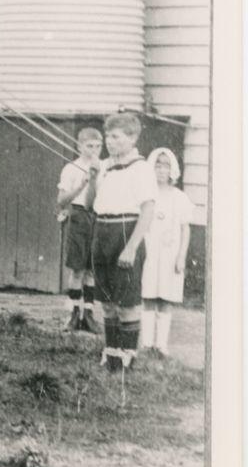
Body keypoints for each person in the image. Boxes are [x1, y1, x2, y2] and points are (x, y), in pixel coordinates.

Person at [90, 112, 157, 373]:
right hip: (102, 230)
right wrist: (92, 176)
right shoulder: (105, 166)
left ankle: (129, 353)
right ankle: (112, 350)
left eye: (116, 137)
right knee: (107, 300)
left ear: (132, 138)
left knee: (127, 301)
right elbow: (91, 203)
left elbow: (148, 210)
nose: (109, 141)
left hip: (127, 231)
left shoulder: (141, 168)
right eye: (107, 136)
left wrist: (131, 247)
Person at [140, 147, 193, 357]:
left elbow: (185, 229)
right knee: (148, 295)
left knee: (166, 298)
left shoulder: (179, 197)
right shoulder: (146, 195)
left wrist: (181, 256)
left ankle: (161, 345)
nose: (162, 170)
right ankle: (146, 343)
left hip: (170, 254)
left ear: (173, 169)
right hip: (150, 252)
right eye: (158, 165)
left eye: (166, 166)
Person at [56, 127, 104, 334]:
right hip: (78, 215)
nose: (94, 150)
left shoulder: (105, 167)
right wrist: (82, 184)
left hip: (99, 216)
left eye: (98, 146)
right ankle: (74, 313)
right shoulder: (71, 168)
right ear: (79, 146)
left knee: (92, 270)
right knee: (77, 269)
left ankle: (89, 314)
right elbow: (61, 200)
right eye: (89, 146)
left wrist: (95, 178)